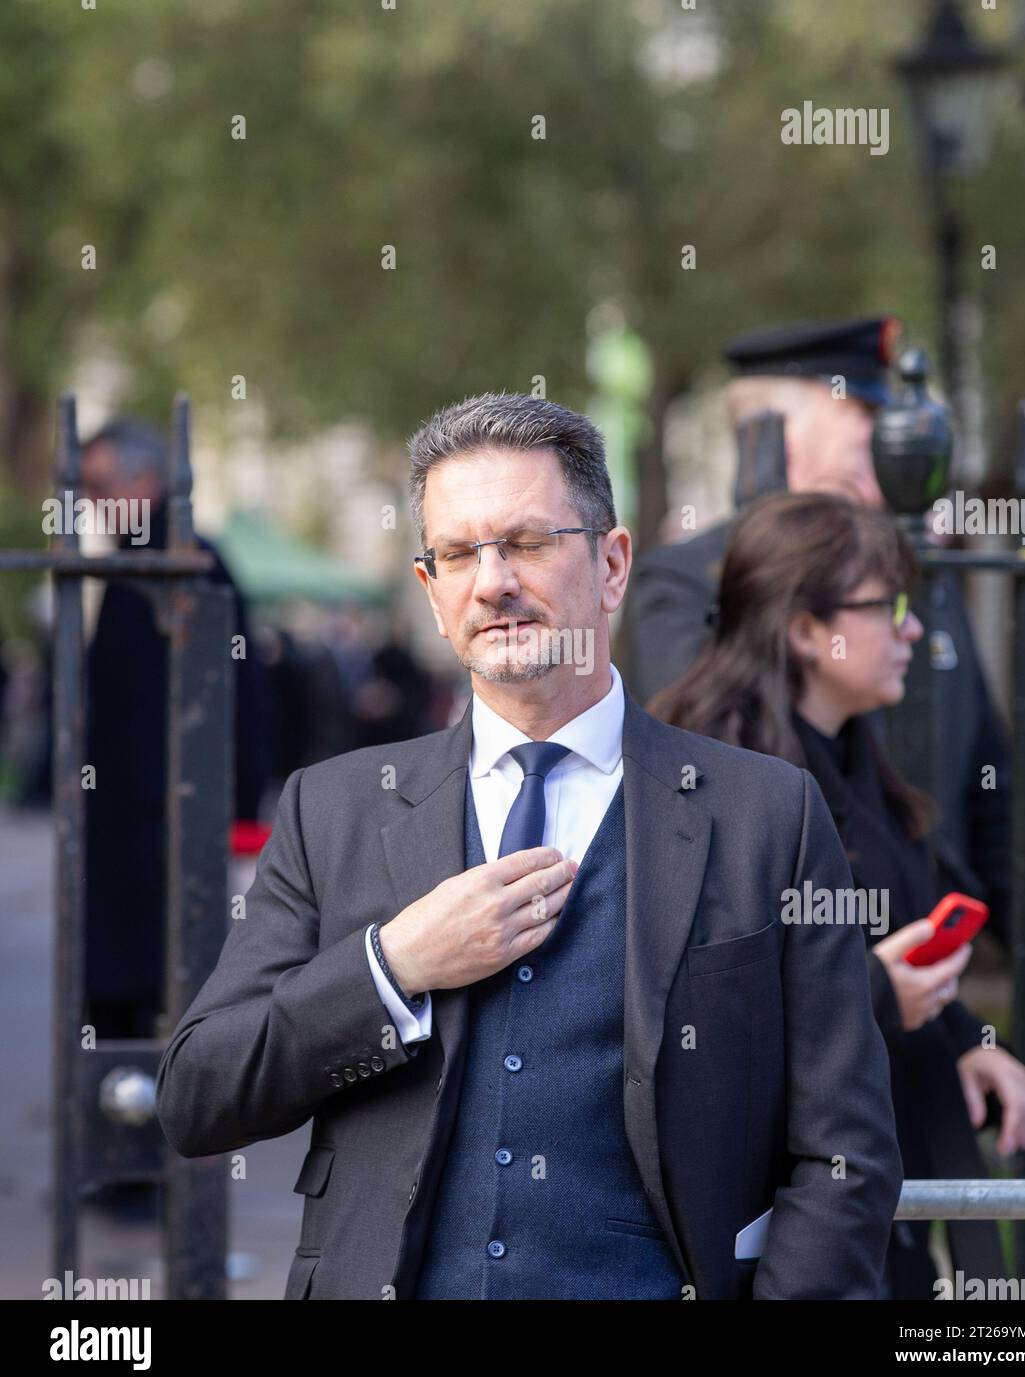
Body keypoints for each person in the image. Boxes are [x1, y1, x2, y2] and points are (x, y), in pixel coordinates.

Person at [156, 392, 903, 1300]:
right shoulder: (335, 809)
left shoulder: (765, 813)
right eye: (460, 553)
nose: (494, 581)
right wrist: (392, 968)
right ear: (432, 595)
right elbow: (199, 1095)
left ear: (614, 565)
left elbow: (844, 1155)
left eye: (529, 542)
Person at [623, 316, 1025, 1173]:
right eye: (866, 418)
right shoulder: (692, 578)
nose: (901, 437)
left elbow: (994, 818)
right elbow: (717, 811)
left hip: (923, 995)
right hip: (799, 1036)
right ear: (779, 429)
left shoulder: (922, 580)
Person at [648, 491, 1025, 1297]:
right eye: (888, 605)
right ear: (803, 630)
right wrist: (879, 990)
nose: (913, 630)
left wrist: (966, 1036)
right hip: (779, 1218)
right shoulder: (707, 778)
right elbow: (691, 1004)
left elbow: (897, 925)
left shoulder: (855, 747)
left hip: (877, 1182)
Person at [82, 418, 270, 1043]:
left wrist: (238, 800)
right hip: (127, 815)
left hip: (173, 813)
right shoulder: (136, 561)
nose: (93, 504)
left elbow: (240, 687)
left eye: (102, 486)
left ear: (148, 479)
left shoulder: (188, 559)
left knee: (170, 983)